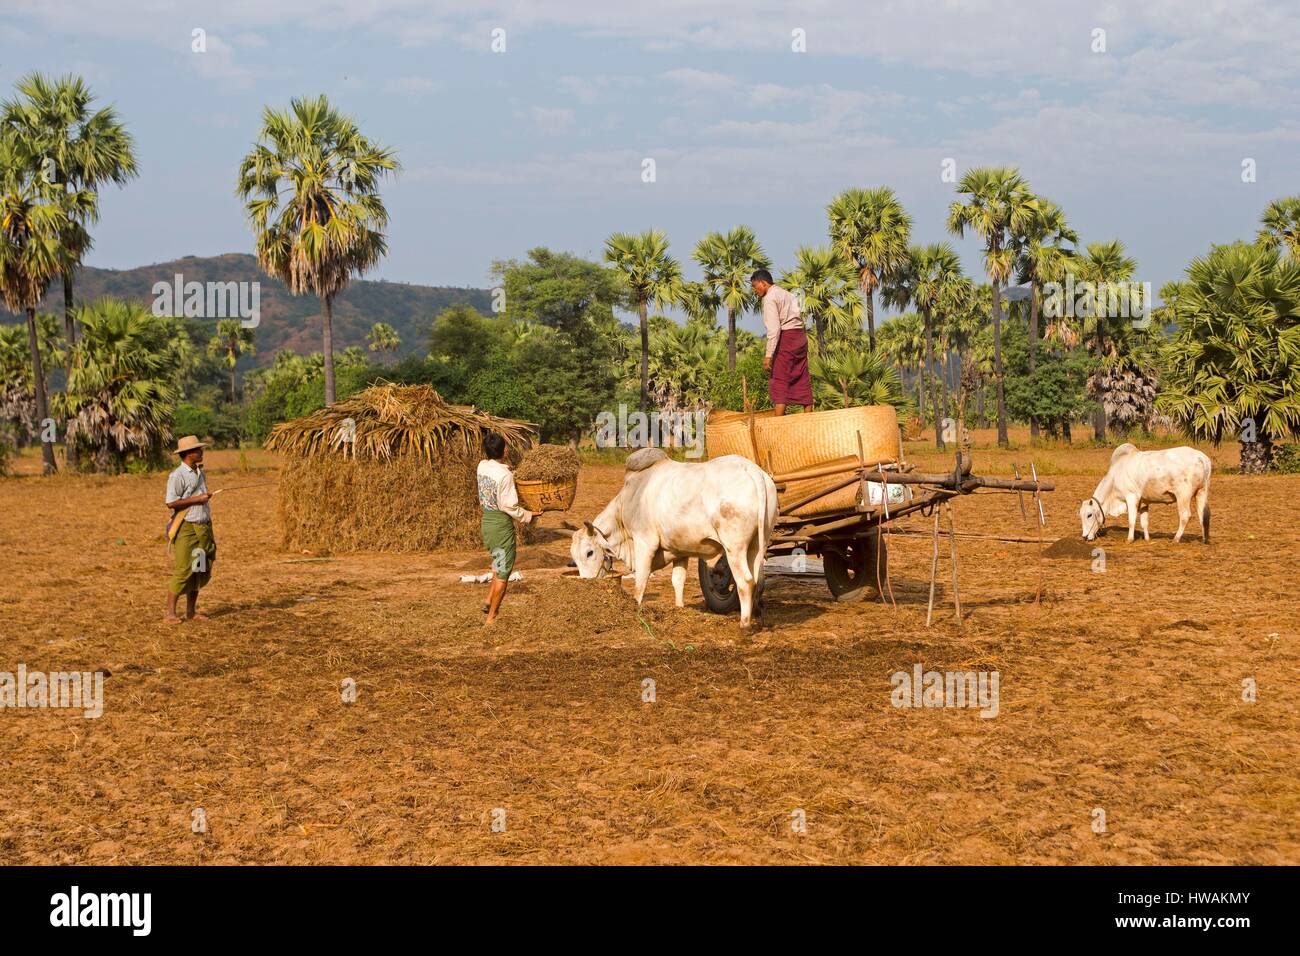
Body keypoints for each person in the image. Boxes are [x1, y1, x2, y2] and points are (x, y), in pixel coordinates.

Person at [476, 433, 540, 625]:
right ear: (504, 450)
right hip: (500, 526)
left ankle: (488, 600)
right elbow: (508, 506)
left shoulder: (482, 467)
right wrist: (529, 515)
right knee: (503, 574)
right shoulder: (505, 475)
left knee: (498, 560)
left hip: (487, 522)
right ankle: (491, 618)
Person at [164, 436, 217, 623]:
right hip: (186, 527)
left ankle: (191, 612)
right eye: (198, 450)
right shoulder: (177, 476)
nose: (201, 452)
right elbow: (171, 503)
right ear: (188, 454)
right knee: (184, 569)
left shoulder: (199, 473)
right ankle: (170, 613)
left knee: (198, 569)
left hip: (202, 526)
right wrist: (198, 499)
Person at [751, 268, 814, 415]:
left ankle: (778, 424)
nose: (755, 290)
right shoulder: (787, 293)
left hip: (787, 338)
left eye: (755, 286)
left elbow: (774, 329)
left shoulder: (769, 298)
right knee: (802, 376)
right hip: (800, 337)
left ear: (763, 283)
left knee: (779, 379)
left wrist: (768, 355)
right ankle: (809, 420)